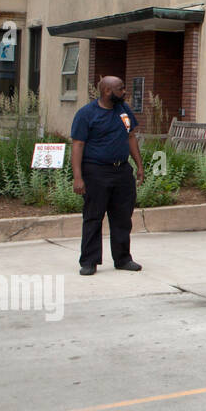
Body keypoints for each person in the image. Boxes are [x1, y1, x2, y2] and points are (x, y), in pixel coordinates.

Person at [71, 76, 145, 276]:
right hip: (96, 171)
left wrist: (139, 165)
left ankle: (123, 258)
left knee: (122, 218)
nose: (125, 92)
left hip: (121, 171)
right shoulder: (86, 114)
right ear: (107, 91)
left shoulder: (124, 110)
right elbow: (77, 145)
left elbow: (131, 137)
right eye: (121, 89)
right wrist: (78, 177)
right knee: (93, 217)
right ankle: (89, 261)